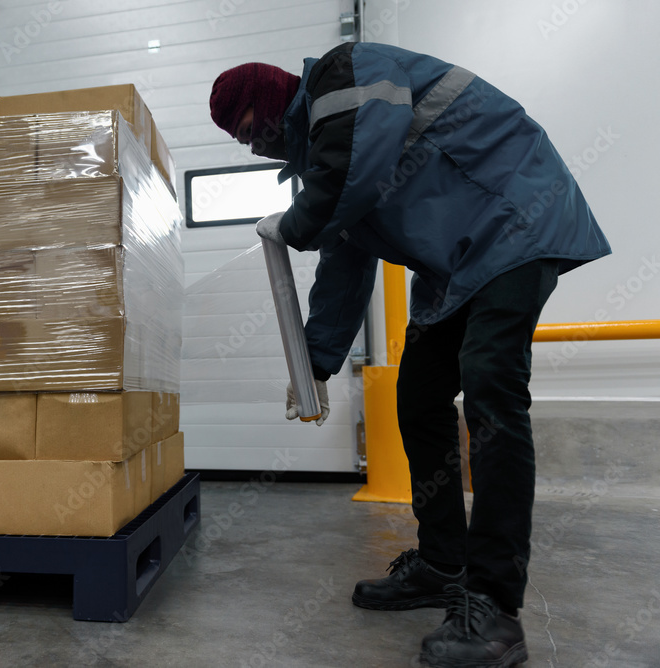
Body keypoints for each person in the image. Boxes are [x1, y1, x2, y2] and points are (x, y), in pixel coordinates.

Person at [209, 42, 610, 668]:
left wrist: (290, 225)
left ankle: (496, 609)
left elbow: (351, 175)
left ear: (270, 105)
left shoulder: (347, 75)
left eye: (251, 132)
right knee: (419, 400)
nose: (254, 147)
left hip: (513, 220)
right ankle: (443, 566)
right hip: (459, 263)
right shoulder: (325, 155)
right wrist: (314, 361)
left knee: (491, 389)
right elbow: (345, 261)